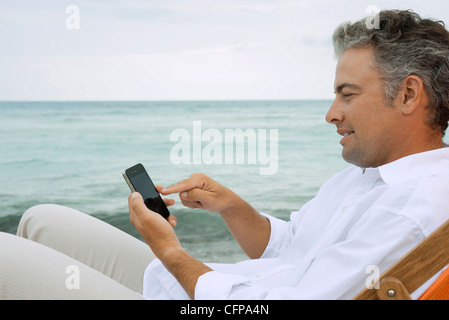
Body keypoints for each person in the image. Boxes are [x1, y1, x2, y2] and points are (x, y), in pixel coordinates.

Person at [1, 9, 449, 300]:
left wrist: (171, 254)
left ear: (408, 94)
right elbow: (295, 246)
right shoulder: (369, 176)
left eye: (347, 94)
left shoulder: (413, 210)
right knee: (41, 219)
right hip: (206, 288)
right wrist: (231, 205)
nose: (331, 114)